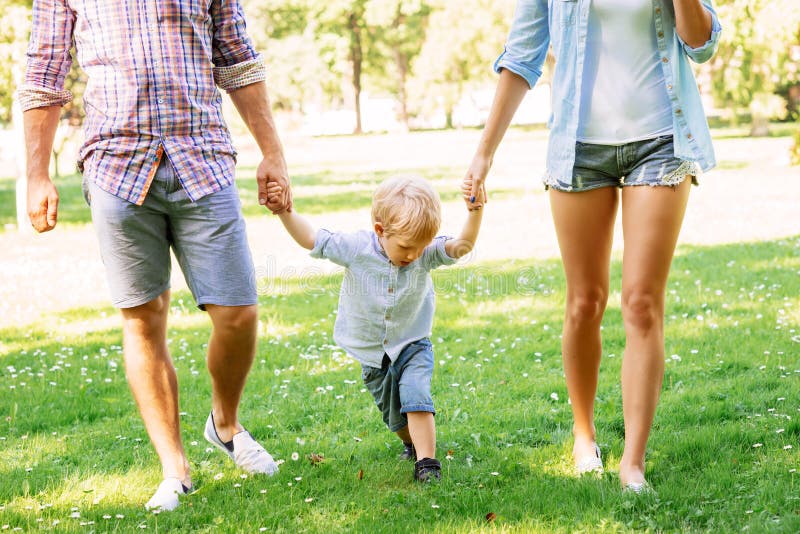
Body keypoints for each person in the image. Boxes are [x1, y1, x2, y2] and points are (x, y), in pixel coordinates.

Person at [20, 0, 292, 511]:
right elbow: (45, 70)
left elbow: (237, 56)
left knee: (238, 312)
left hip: (203, 156)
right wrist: (36, 173)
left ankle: (225, 424)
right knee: (144, 319)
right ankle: (175, 469)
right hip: (116, 163)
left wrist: (271, 153)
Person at [465, 0, 721, 492]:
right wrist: (483, 154)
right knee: (585, 302)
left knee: (642, 303)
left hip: (661, 141)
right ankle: (584, 437)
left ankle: (633, 462)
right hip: (579, 147)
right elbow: (522, 57)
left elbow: (701, 44)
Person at [273, 175, 483, 482]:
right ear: (380, 231)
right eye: (407, 247)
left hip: (413, 343)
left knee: (416, 395)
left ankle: (427, 463)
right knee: (396, 418)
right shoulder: (356, 247)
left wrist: (475, 211)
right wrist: (284, 212)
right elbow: (313, 239)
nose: (414, 255)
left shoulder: (422, 252)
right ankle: (411, 443)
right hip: (373, 354)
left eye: (422, 247)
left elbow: (459, 247)